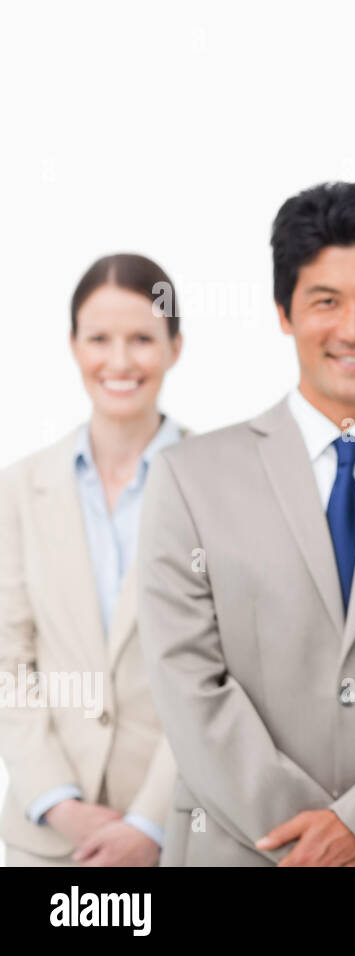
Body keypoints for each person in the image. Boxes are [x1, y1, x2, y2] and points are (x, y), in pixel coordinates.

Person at [137, 182, 355, 866]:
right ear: (283, 312)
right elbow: (186, 681)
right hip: (237, 848)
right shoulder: (189, 477)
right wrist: (315, 837)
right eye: (325, 301)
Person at [0, 253, 186, 866]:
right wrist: (59, 803)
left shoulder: (219, 482)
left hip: (180, 830)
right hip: (47, 839)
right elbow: (9, 660)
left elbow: (228, 672)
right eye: (99, 339)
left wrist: (148, 822)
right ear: (73, 346)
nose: (120, 361)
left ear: (174, 346)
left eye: (141, 338)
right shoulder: (21, 488)